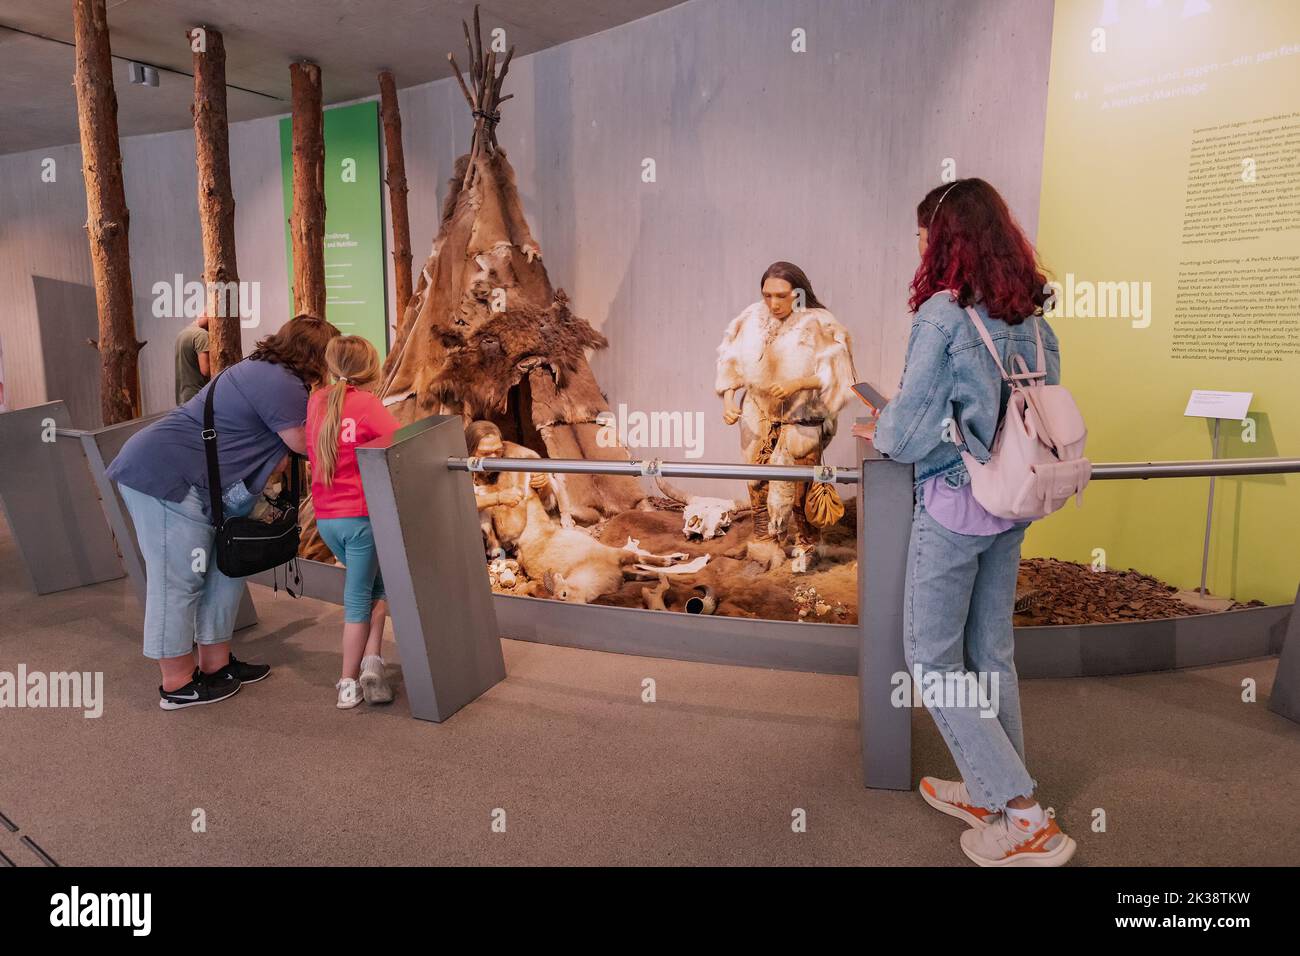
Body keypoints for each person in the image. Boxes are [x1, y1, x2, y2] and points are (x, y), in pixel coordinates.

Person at [858, 178, 1075, 866]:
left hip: (956, 501)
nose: (920, 247)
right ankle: (993, 792)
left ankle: (1022, 818)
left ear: (946, 241)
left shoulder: (945, 316)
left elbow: (911, 425)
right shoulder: (1032, 315)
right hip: (1016, 500)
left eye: (926, 236)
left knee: (931, 656)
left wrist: (884, 429)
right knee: (992, 653)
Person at [108, 314, 339, 710]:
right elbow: (304, 442)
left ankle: (215, 665)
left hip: (199, 483)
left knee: (225, 571)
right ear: (315, 354)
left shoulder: (266, 371)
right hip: (167, 476)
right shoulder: (281, 382)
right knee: (178, 579)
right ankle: (177, 682)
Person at [715, 261, 857, 567]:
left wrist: (798, 383)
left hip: (802, 417)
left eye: (781, 296)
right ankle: (765, 541)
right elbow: (731, 366)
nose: (773, 303)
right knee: (756, 482)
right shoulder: (751, 320)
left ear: (798, 293)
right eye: (767, 295)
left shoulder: (819, 323)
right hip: (759, 416)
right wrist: (729, 401)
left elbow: (838, 376)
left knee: (800, 487)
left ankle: (807, 543)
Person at [307, 335, 401, 709]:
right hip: (361, 519)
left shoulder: (317, 401)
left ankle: (373, 663)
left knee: (376, 589)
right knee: (358, 600)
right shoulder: (368, 405)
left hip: (327, 518)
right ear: (371, 368)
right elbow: (400, 443)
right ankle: (347, 682)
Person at [465, 420, 574, 557]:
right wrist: (497, 498)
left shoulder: (520, 458)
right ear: (470, 450)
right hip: (481, 548)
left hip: (524, 540)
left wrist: (543, 485)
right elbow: (459, 506)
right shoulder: (461, 466)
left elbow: (547, 504)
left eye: (498, 451)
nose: (494, 457)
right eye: (485, 453)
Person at [175, 315, 211, 405]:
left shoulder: (182, 334)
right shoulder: (201, 335)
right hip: (198, 397)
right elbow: (206, 370)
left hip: (183, 397)